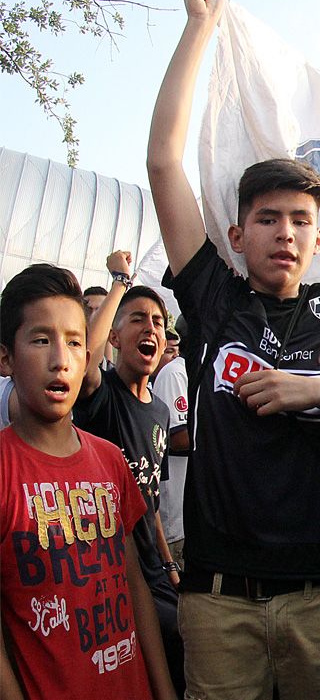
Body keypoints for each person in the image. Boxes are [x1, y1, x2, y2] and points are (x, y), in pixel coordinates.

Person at [146, 0, 320, 697]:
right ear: (237, 235)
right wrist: (199, 30)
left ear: (318, 238)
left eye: (300, 220)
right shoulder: (214, 299)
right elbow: (164, 162)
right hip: (217, 601)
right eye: (267, 218)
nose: (285, 232)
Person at [0, 264, 176, 700]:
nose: (61, 359)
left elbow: (135, 587)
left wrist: (164, 690)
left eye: (75, 342)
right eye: (41, 340)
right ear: (6, 358)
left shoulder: (110, 460)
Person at [72, 252, 185, 694]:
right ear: (115, 337)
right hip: (105, 573)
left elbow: (149, 499)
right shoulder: (101, 395)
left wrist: (169, 565)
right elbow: (84, 359)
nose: (151, 328)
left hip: (151, 569)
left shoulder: (160, 412)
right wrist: (120, 282)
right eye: (137, 319)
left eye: (157, 321)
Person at [152, 316, 189, 569]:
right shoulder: (175, 372)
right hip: (177, 520)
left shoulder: (203, 369)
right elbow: (178, 438)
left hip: (197, 515)